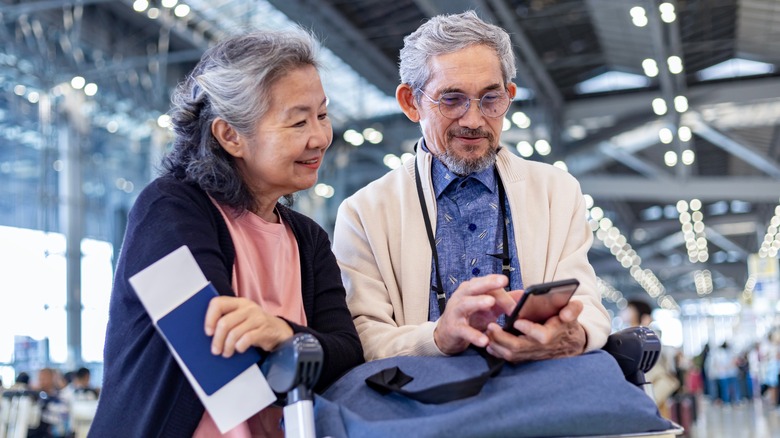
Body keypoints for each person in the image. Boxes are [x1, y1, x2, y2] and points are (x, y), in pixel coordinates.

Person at [90, 29, 363, 437]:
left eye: (322, 115)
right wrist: (303, 347)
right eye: (298, 121)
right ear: (230, 135)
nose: (320, 137)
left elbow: (348, 357)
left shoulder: (309, 239)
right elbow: (221, 363)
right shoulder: (168, 208)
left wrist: (280, 334)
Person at [332, 11, 610, 363]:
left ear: (509, 95)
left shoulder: (557, 192)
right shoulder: (365, 213)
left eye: (490, 99)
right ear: (410, 102)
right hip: (425, 406)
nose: (474, 120)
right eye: (452, 100)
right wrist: (437, 337)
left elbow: (587, 303)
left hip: (538, 393)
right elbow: (364, 336)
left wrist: (572, 333)